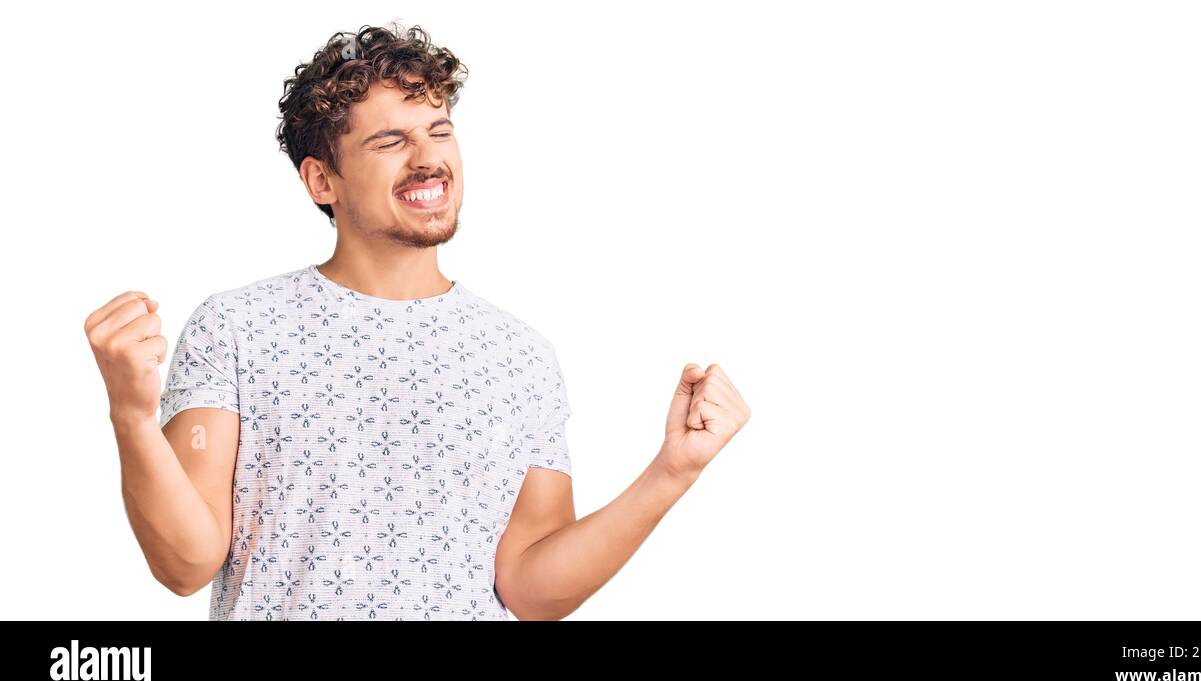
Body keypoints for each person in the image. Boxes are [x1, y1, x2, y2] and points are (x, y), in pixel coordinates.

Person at [82, 23, 750, 620]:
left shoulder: (519, 355)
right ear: (322, 182)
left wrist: (672, 471)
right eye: (390, 140)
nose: (427, 158)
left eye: (438, 131)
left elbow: (529, 586)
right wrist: (132, 419)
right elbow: (186, 563)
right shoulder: (236, 328)